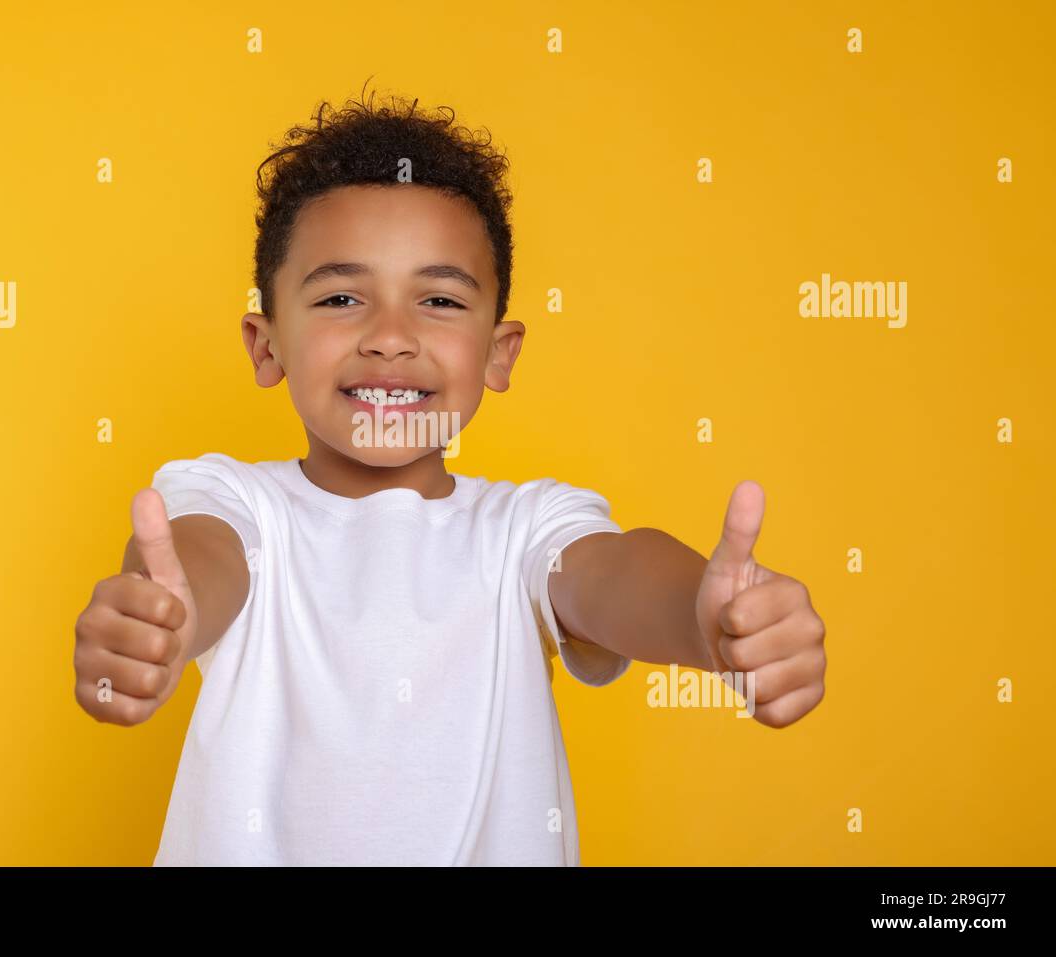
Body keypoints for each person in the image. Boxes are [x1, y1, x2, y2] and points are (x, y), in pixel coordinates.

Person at [73, 85, 827, 866]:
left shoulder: (524, 530)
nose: (391, 337)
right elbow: (198, 565)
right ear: (266, 345)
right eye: (340, 296)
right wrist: (159, 619)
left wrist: (705, 620)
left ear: (499, 352)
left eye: (437, 298)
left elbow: (610, 573)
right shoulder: (238, 503)